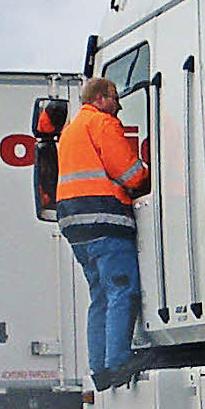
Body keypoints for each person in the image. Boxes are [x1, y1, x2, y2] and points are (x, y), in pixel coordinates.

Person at [56, 77, 150, 391]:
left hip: (76, 227)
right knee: (122, 291)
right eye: (116, 98)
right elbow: (131, 174)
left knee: (100, 297)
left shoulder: (70, 130)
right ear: (101, 97)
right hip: (105, 220)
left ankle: (100, 370)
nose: (120, 105)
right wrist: (148, 174)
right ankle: (119, 364)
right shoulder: (103, 124)